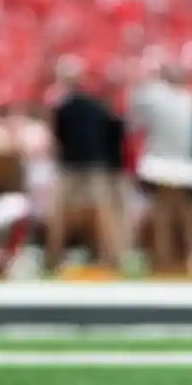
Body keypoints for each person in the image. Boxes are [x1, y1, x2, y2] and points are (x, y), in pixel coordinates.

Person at [129, 62, 192, 274]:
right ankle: (187, 258)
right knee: (183, 215)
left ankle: (163, 260)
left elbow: (134, 121)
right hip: (184, 167)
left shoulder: (154, 96)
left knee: (164, 216)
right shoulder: (190, 99)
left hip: (162, 165)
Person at [48, 61, 122, 270]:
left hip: (70, 166)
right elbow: (113, 134)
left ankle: (54, 258)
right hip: (95, 166)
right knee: (103, 214)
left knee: (61, 215)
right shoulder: (99, 107)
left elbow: (58, 137)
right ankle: (112, 257)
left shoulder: (62, 108)